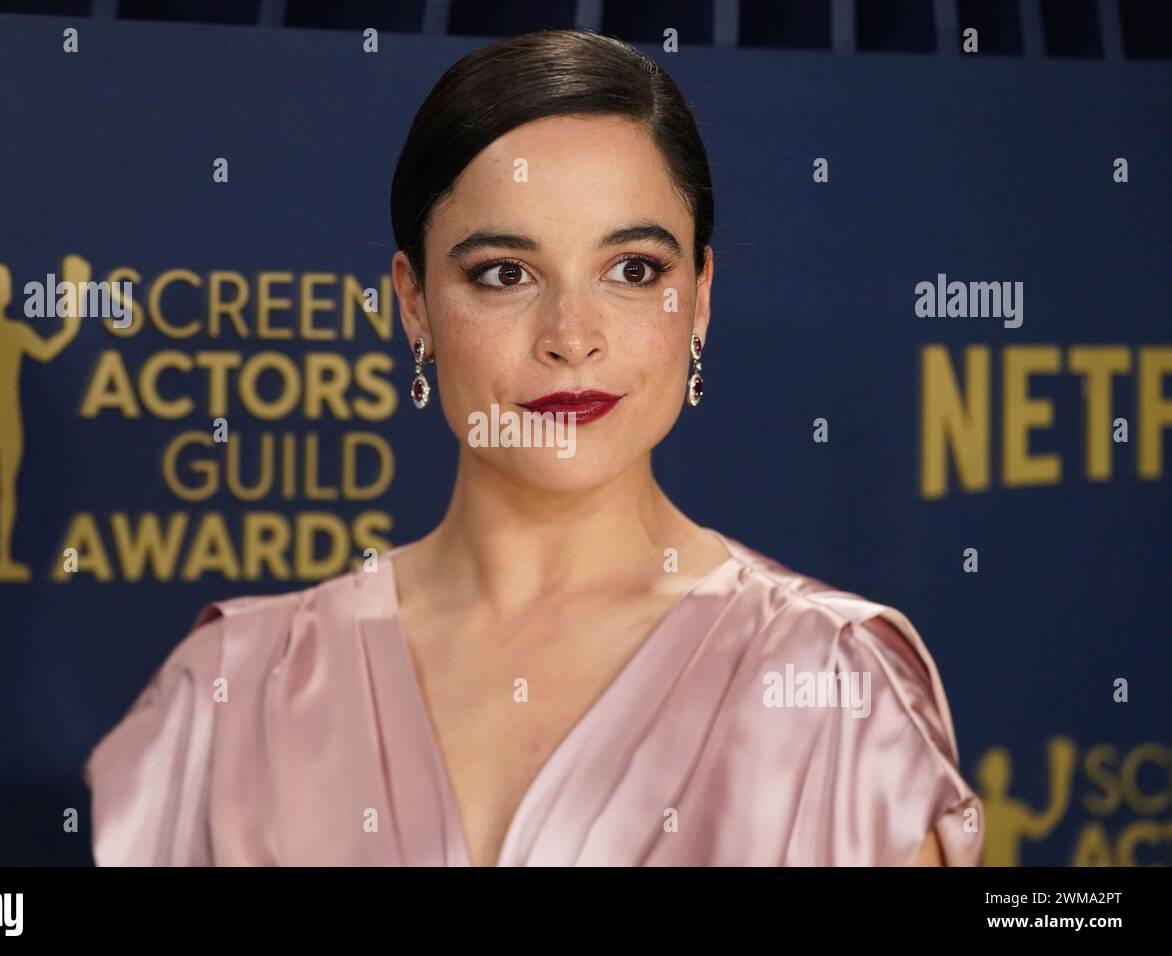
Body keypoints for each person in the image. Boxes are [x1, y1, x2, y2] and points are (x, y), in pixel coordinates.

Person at [83, 29, 983, 867]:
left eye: (634, 270)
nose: (572, 336)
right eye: (504, 274)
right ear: (413, 303)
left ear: (698, 298)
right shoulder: (235, 692)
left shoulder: (832, 687)